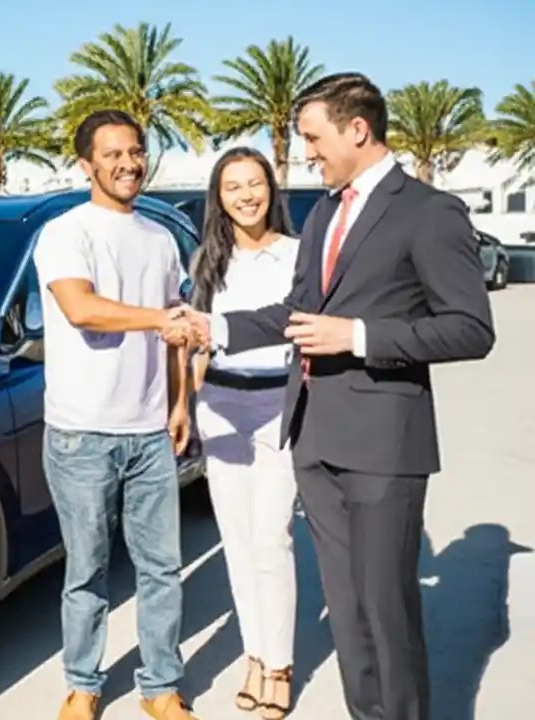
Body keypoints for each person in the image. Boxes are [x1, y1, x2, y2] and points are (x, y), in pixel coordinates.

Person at [183, 73, 495, 720]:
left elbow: (470, 328)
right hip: (313, 438)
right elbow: (299, 311)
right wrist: (216, 327)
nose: (305, 154)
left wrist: (356, 335)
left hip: (385, 447)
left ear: (357, 129)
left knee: (385, 609)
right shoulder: (324, 211)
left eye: (312, 138)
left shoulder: (430, 212)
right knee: (348, 613)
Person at [32, 108, 197, 720]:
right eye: (113, 154)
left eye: (136, 151)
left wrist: (180, 403)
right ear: (87, 164)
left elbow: (177, 335)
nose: (128, 163)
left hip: (151, 431)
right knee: (87, 571)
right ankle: (83, 683)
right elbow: (81, 308)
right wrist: (158, 319)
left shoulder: (159, 239)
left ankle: (161, 687)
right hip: (81, 435)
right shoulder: (66, 233)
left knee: (162, 569)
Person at [187, 147, 300, 719]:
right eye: (233, 186)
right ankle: (254, 653)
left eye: (255, 183)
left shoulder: (299, 256)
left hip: (278, 405)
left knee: (270, 539)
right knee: (235, 540)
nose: (246, 195)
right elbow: (199, 344)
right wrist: (187, 405)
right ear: (219, 196)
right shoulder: (208, 258)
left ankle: (279, 663)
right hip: (221, 405)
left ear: (270, 189)